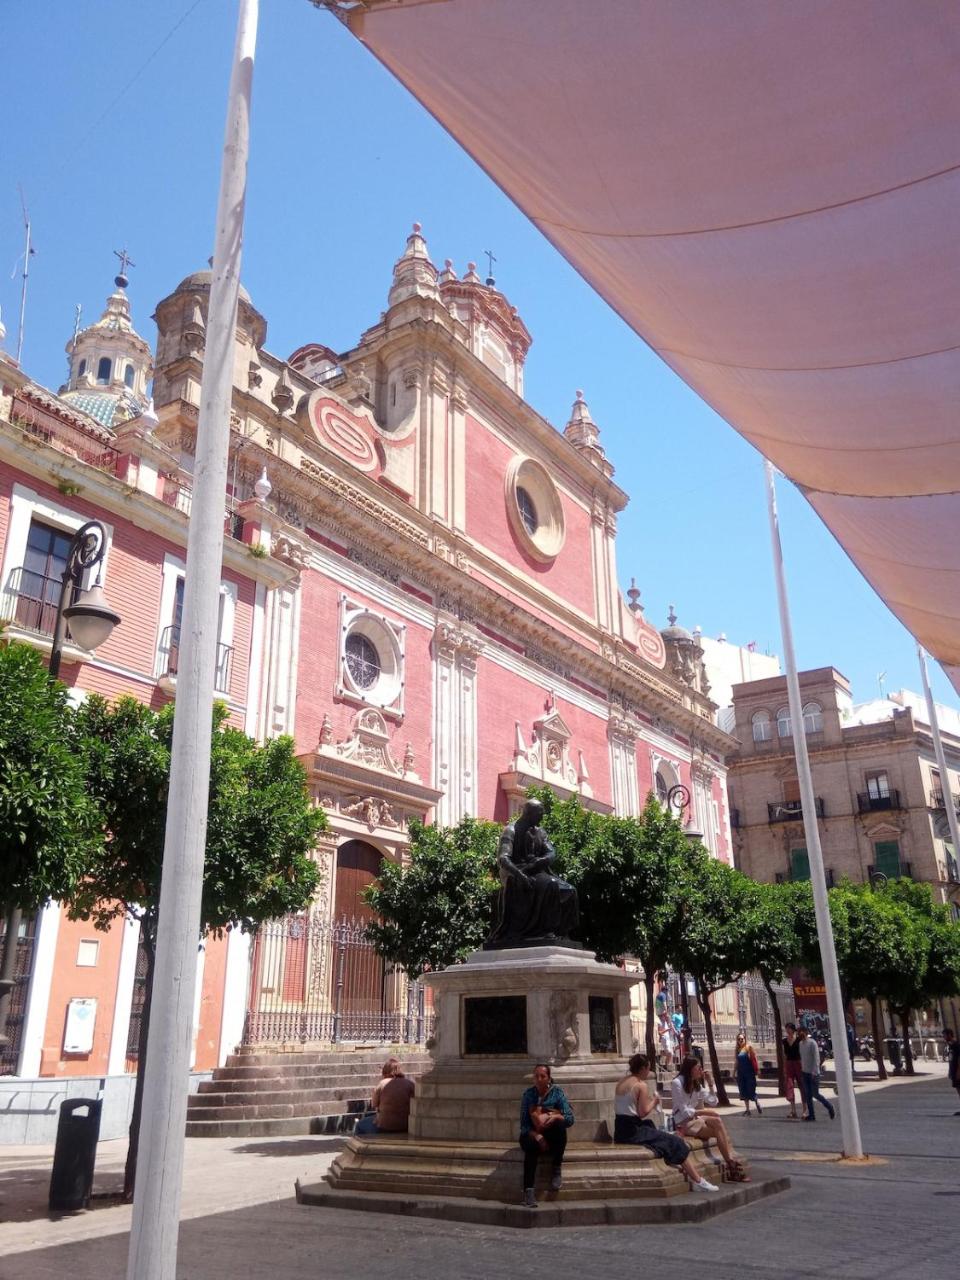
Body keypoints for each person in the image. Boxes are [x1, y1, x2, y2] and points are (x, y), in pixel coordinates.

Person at [614, 1053, 718, 1191]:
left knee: (655, 1131)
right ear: (643, 1068)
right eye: (648, 1069)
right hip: (632, 1130)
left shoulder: (621, 1082)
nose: (649, 1072)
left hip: (620, 1128)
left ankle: (676, 1160)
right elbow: (643, 1112)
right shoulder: (640, 1085)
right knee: (676, 1142)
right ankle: (698, 1180)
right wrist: (655, 1101)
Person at [487, 800, 579, 946]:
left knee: (570, 890)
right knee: (551, 885)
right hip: (518, 872)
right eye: (539, 814)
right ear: (528, 813)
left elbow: (551, 852)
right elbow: (503, 858)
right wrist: (520, 875)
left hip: (537, 870)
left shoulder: (540, 832)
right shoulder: (511, 830)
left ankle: (561, 932)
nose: (542, 817)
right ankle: (547, 930)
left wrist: (543, 860)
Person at [670, 1055, 748, 1181]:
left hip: (696, 1119)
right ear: (691, 1069)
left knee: (717, 1123)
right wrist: (705, 1112)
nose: (701, 1070)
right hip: (683, 1123)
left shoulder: (696, 1084)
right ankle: (731, 1165)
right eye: (698, 1068)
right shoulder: (677, 1083)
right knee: (720, 1131)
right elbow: (684, 1112)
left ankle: (730, 1163)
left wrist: (711, 1084)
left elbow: (713, 1101)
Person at [519, 1064, 574, 1207]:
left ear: (548, 1078)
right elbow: (524, 1125)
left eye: (542, 1076)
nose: (539, 1079)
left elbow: (569, 1118)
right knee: (530, 1148)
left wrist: (556, 1117)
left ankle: (556, 1167)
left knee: (560, 1126)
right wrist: (537, 1136)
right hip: (532, 1135)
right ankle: (528, 1191)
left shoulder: (557, 1093)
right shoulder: (528, 1095)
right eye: (536, 1076)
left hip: (550, 1134)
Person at [354, 1056, 415, 1135]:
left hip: (385, 1126)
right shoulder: (410, 1084)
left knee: (359, 1125)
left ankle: (365, 1147)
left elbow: (374, 1104)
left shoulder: (382, 1084)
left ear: (385, 1071)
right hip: (406, 1125)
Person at [798, 1027, 835, 1121]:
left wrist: (814, 1071)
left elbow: (816, 1058)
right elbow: (802, 1058)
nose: (800, 1033)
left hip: (813, 1073)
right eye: (799, 1032)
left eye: (802, 1031)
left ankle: (829, 1106)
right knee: (808, 1095)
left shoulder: (812, 1043)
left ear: (806, 1032)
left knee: (815, 1094)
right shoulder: (800, 1044)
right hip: (805, 1072)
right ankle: (811, 1115)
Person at [735, 1032, 762, 1115]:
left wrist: (757, 1070)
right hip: (741, 1072)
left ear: (745, 1039)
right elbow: (736, 1061)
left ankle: (756, 1101)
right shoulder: (737, 1050)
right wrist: (734, 1071)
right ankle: (747, 1110)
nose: (740, 1041)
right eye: (739, 1039)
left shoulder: (748, 1047)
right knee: (743, 1090)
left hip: (749, 1072)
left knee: (751, 1088)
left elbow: (754, 1058)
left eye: (742, 1039)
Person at [782, 1022, 805, 1120]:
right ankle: (793, 1110)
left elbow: (803, 1053)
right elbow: (784, 1055)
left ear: (793, 1029)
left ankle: (805, 1110)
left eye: (789, 1028)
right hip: (789, 1063)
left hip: (798, 1063)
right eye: (786, 1028)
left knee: (802, 1086)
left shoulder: (799, 1040)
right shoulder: (784, 1041)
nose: (787, 1030)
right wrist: (784, 1067)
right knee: (790, 1086)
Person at [944, 1027, 960, 1114]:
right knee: (958, 1090)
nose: (944, 1037)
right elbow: (951, 1059)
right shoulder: (950, 1046)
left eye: (945, 1035)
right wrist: (950, 1072)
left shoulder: (956, 1045)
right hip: (954, 1072)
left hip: (958, 1072)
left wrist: (958, 1071)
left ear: (950, 1035)